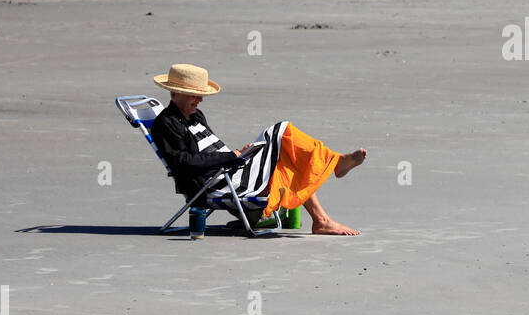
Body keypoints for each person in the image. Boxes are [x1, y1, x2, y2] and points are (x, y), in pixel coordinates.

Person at [149, 64, 367, 236]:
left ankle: (322, 217)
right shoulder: (166, 124)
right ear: (177, 93)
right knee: (281, 131)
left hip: (230, 169)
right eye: (194, 95)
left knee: (287, 147)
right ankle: (333, 172)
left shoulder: (195, 115)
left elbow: (209, 148)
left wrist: (238, 153)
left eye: (200, 94)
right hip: (219, 183)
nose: (200, 99)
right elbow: (184, 164)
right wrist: (229, 158)